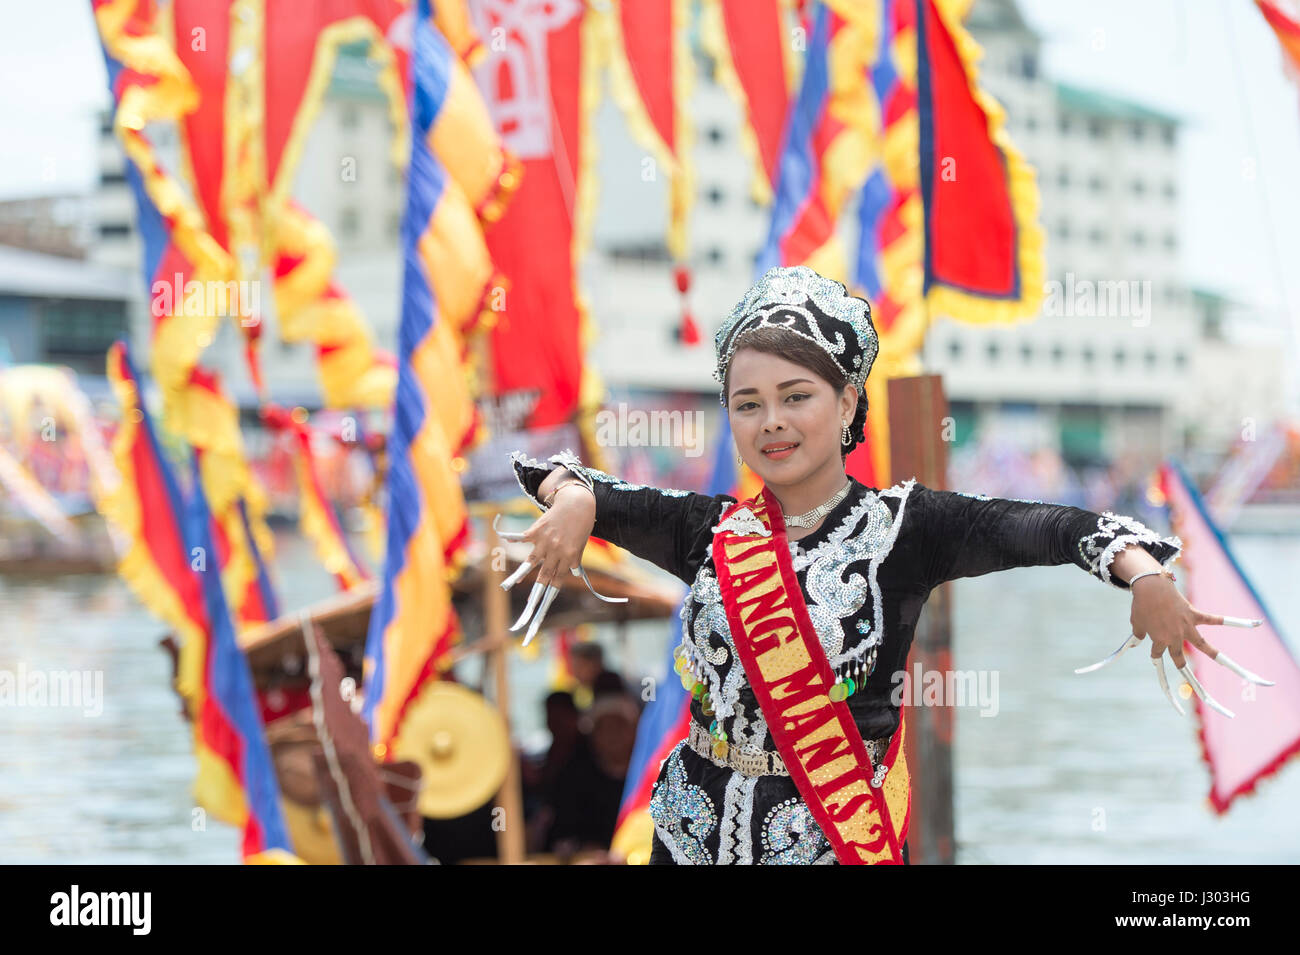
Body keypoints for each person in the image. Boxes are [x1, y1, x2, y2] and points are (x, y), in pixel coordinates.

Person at [503, 265, 1252, 865]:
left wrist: (1144, 573)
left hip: (830, 834)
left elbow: (1050, 527)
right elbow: (554, 471)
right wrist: (573, 501)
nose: (772, 422)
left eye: (796, 396)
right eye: (747, 403)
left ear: (847, 400)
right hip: (693, 831)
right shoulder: (708, 528)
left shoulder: (906, 527)